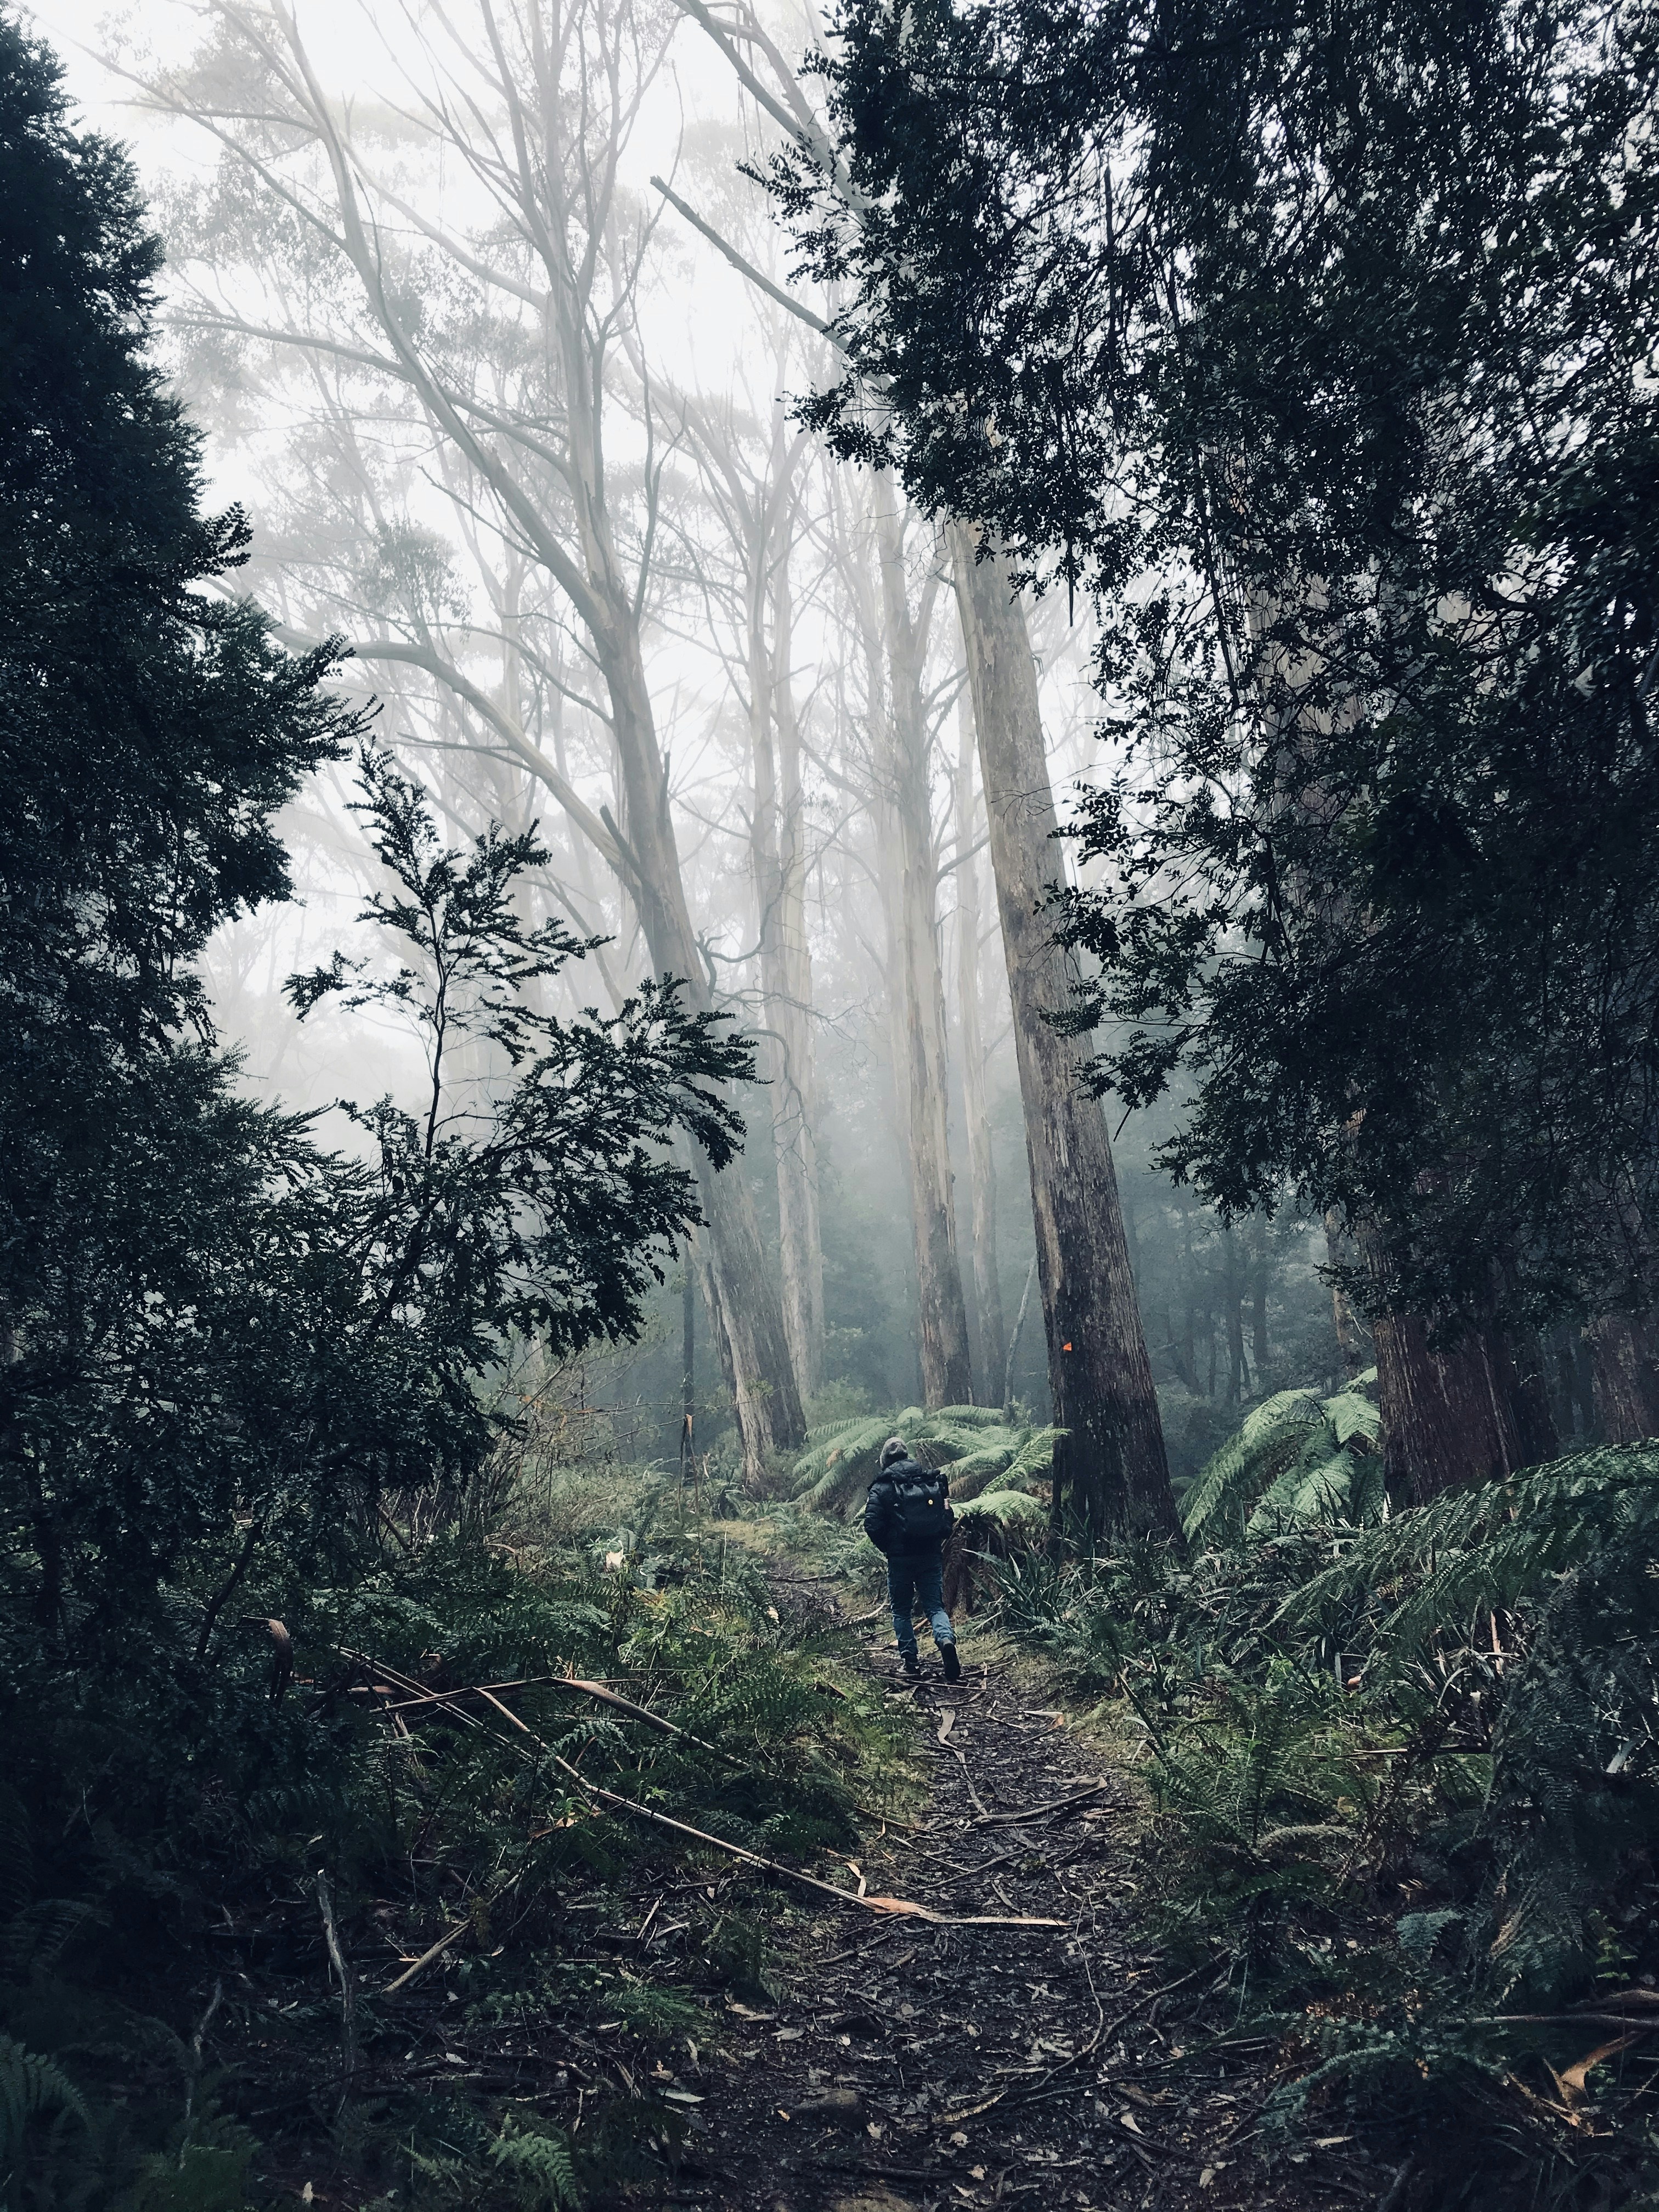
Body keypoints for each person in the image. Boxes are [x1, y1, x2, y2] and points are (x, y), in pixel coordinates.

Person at [863, 1436, 962, 1681]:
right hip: (930, 1555)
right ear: (907, 1456)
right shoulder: (928, 1479)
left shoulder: (882, 1486)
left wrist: (890, 1548)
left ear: (885, 1460)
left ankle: (910, 1663)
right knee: (935, 1607)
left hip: (900, 1560)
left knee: (901, 1611)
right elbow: (947, 1515)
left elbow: (872, 1525)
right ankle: (946, 1640)